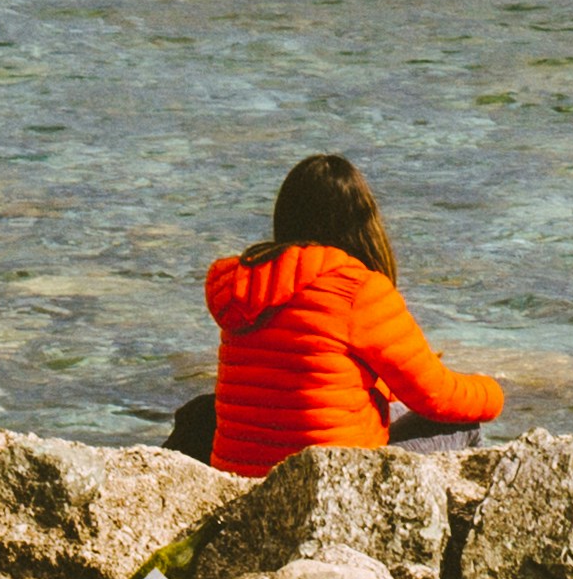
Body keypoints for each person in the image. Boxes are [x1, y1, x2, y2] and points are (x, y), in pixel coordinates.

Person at [186, 152, 504, 477]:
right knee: (464, 422)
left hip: (240, 475)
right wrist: (492, 390)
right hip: (333, 478)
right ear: (362, 224)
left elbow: (314, 375)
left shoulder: (246, 283)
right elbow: (437, 395)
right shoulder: (356, 288)